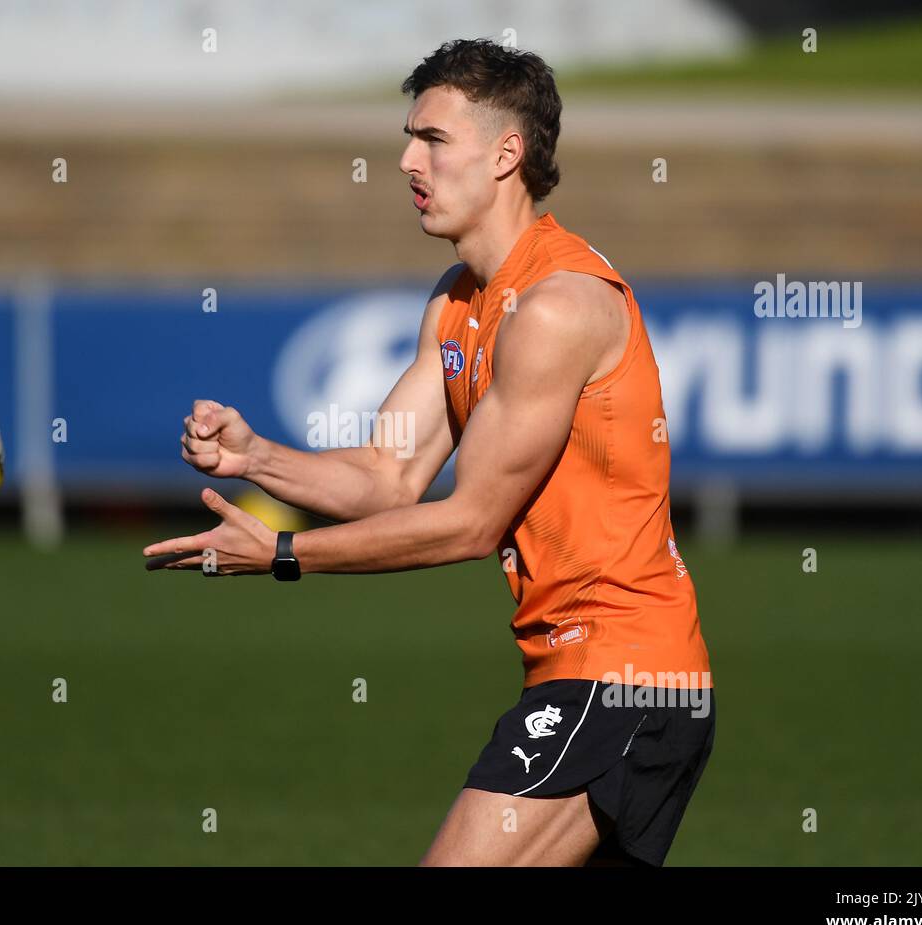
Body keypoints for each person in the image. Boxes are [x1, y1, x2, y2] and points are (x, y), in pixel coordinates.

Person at [145, 38, 714, 866]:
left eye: (434, 140)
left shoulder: (556, 308)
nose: (408, 161)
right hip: (589, 679)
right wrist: (258, 458)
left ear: (505, 155)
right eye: (409, 139)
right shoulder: (457, 303)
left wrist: (282, 553)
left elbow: (471, 523)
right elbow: (390, 475)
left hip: (623, 681)